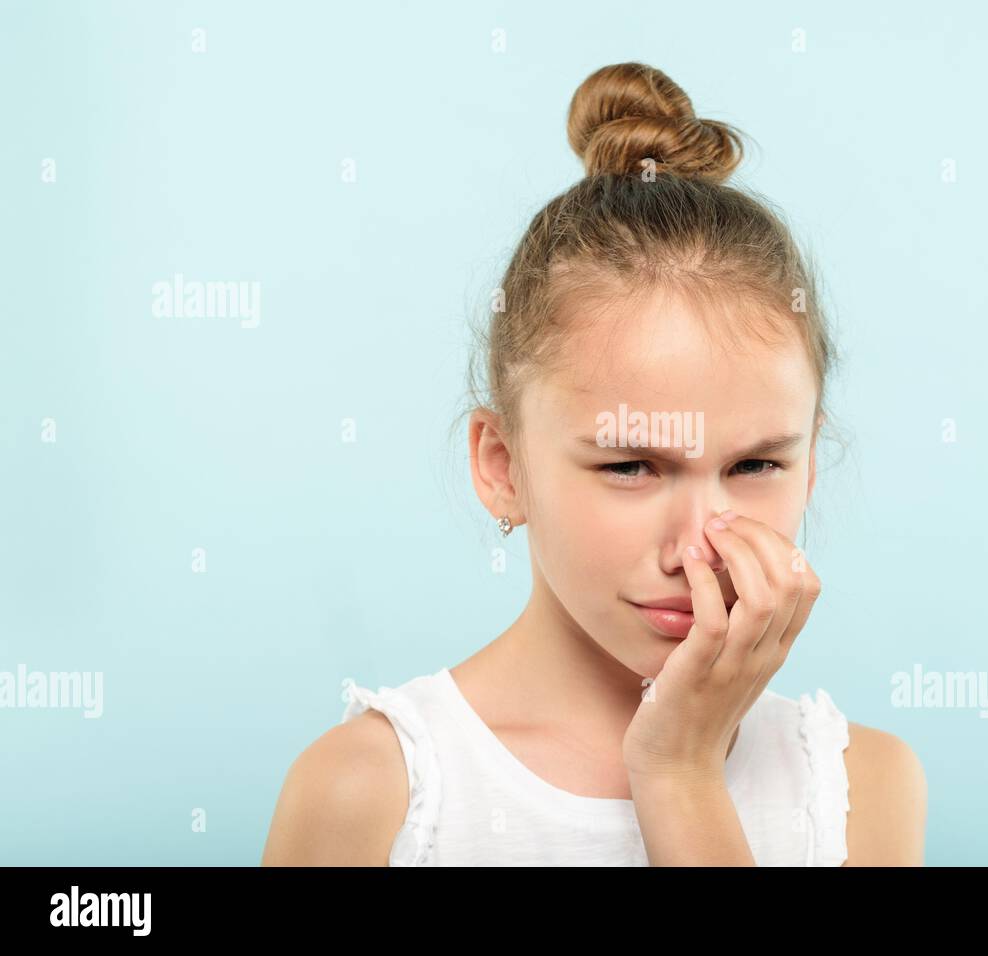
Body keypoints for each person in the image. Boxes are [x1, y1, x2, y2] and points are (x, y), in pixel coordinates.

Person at [262, 62, 926, 866]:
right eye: (632, 468)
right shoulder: (374, 796)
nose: (697, 549)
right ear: (504, 467)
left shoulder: (855, 792)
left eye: (755, 466)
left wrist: (680, 776)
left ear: (812, 461)